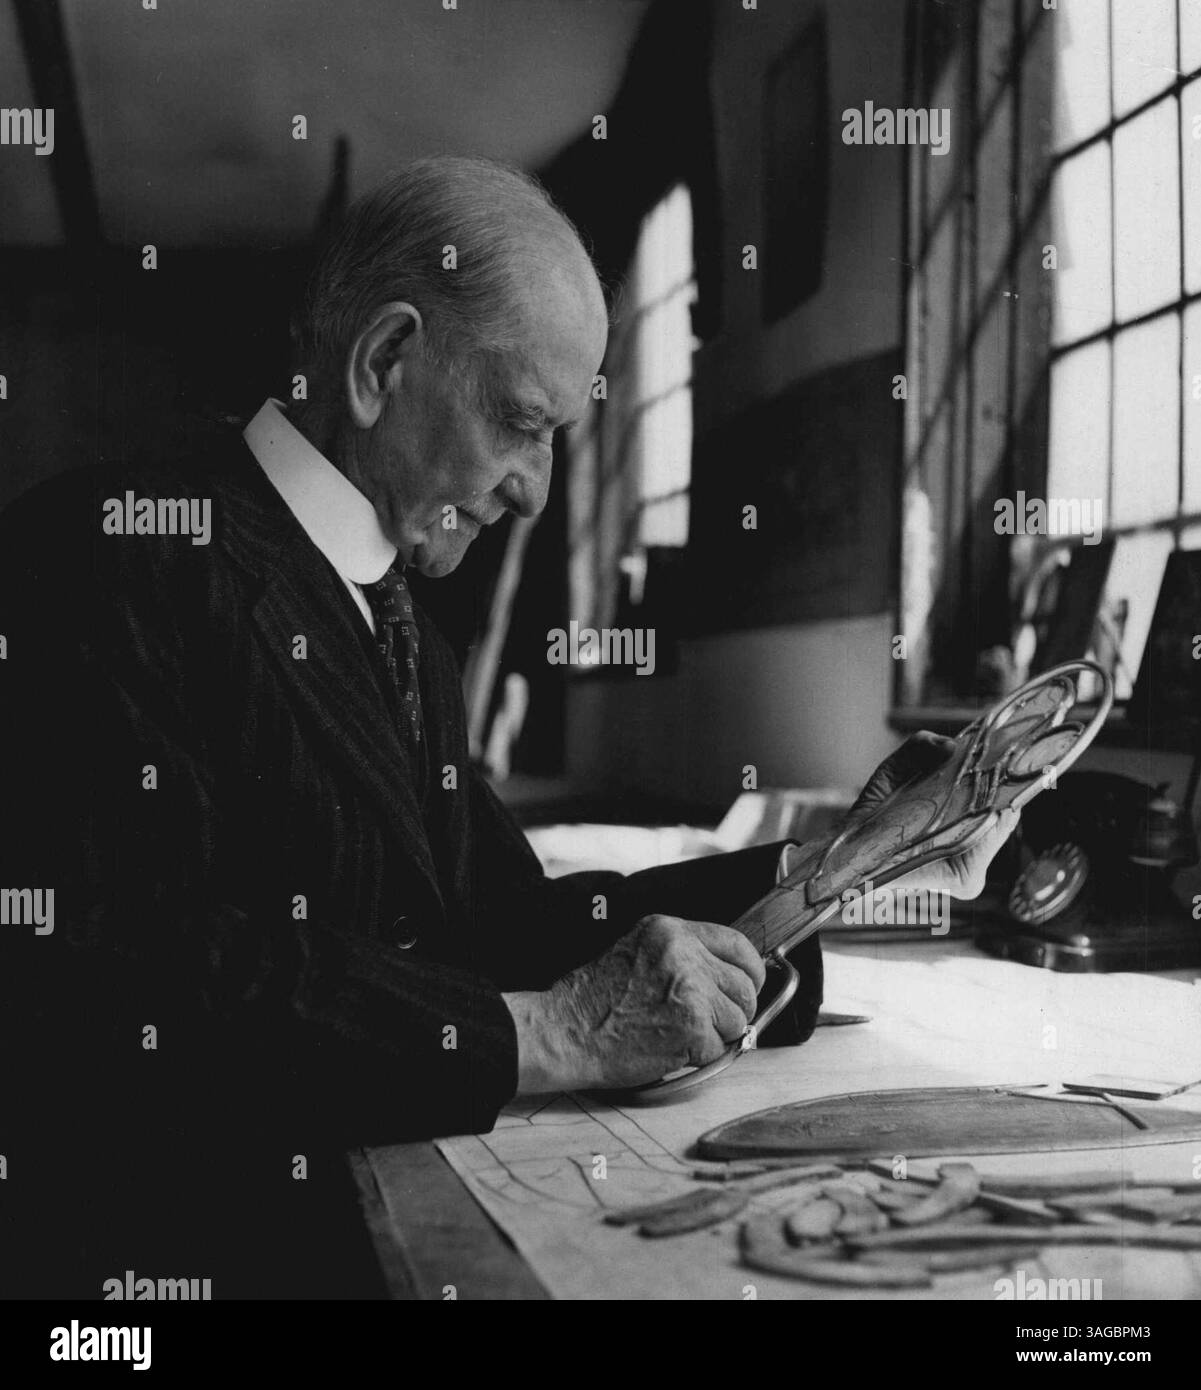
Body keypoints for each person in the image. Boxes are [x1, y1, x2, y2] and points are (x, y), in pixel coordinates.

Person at [0, 157, 1013, 1298]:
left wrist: (827, 871)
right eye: (522, 424)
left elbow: (492, 921)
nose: (534, 489)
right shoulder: (105, 554)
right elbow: (119, 977)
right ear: (383, 362)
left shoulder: (396, 618)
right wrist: (551, 1036)